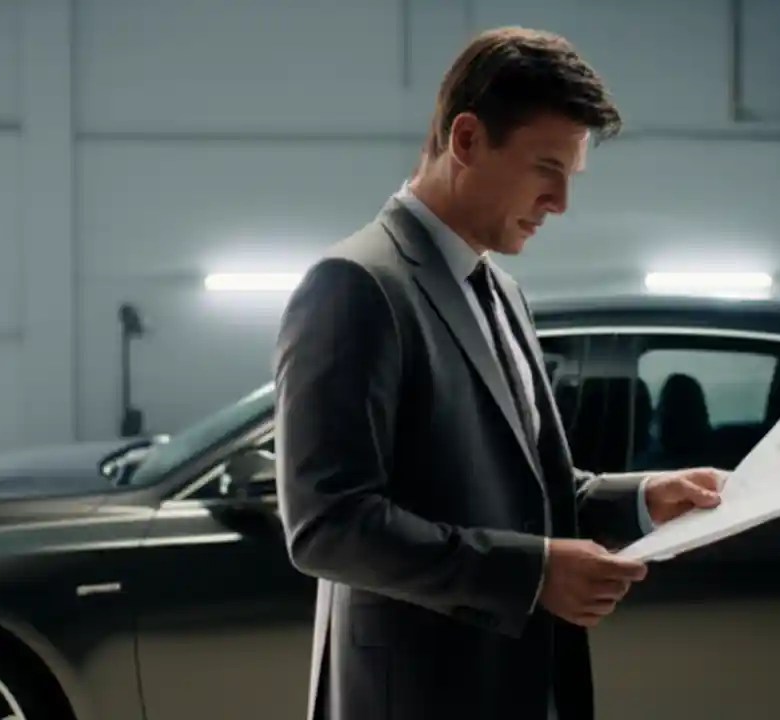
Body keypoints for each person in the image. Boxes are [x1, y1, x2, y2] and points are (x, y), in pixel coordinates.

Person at [273, 26, 726, 720]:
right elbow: (329, 524)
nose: (560, 203)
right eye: (546, 168)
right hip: (417, 697)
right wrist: (534, 572)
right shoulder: (355, 285)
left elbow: (529, 489)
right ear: (466, 139)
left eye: (569, 179)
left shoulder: (500, 290)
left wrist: (644, 498)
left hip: (518, 683)